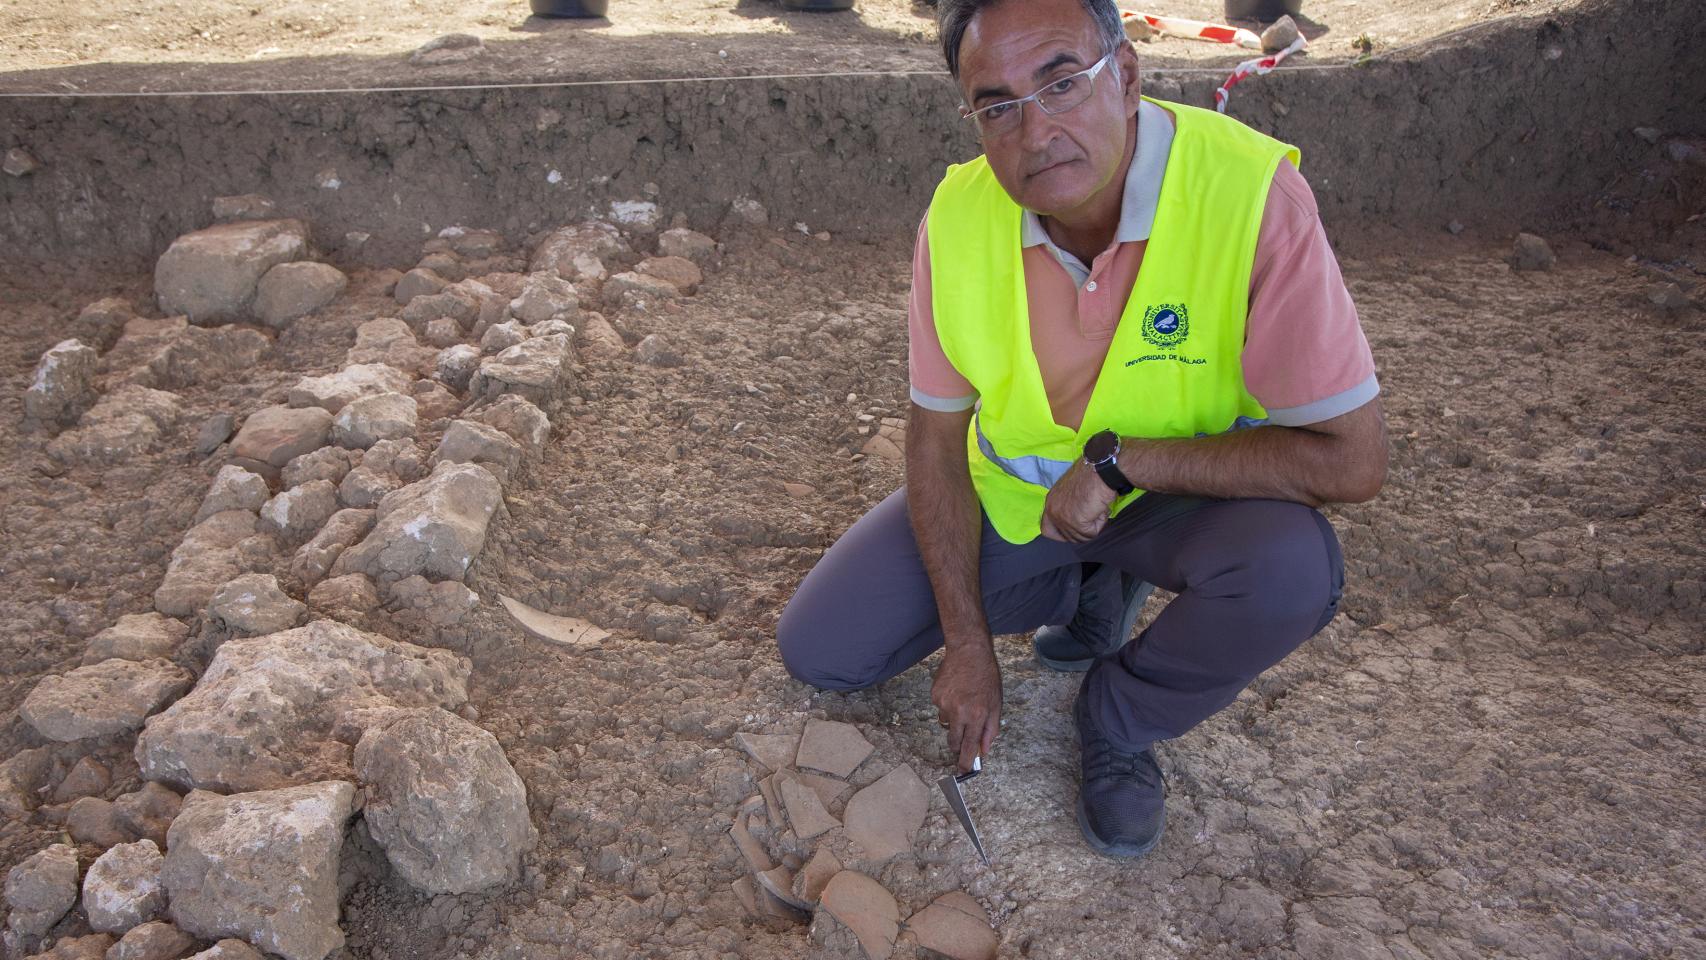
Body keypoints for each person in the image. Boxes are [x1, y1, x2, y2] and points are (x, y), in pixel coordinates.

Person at [776, 0, 1386, 859]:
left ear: (1128, 79)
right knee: (824, 648)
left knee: (1290, 571)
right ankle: (1089, 585)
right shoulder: (957, 219)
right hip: (1024, 501)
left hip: (1184, 499)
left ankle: (1120, 716)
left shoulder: (1247, 196)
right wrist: (967, 645)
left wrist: (1124, 464)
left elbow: (1354, 461)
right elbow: (935, 441)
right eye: (998, 104)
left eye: (1061, 82)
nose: (1034, 132)